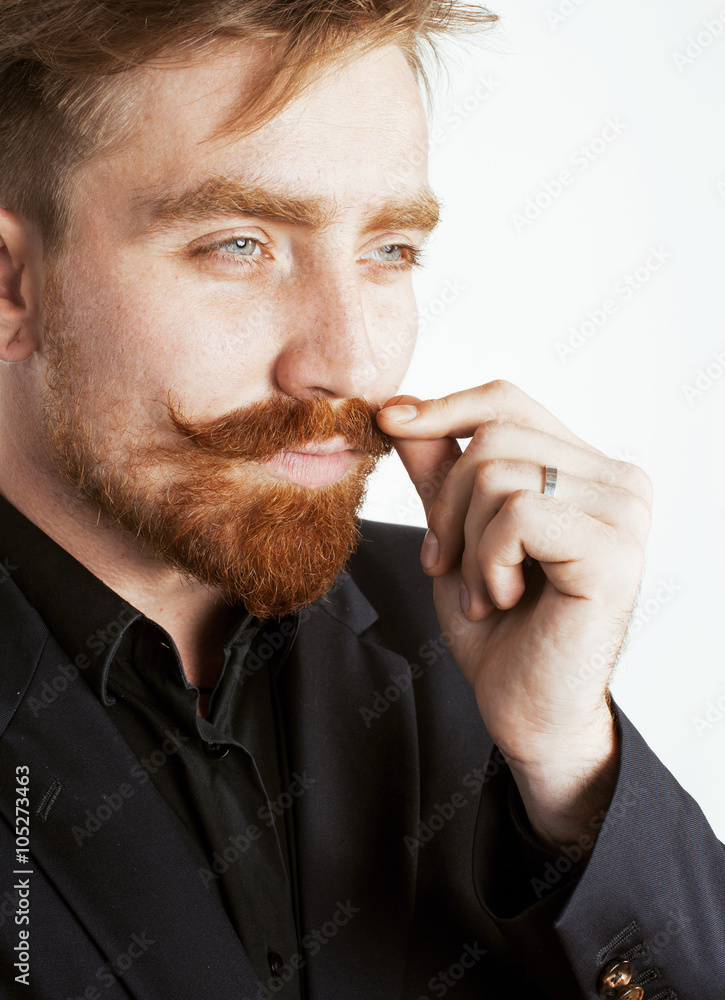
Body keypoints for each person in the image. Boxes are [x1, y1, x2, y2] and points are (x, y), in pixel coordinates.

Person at [0, 2, 722, 998]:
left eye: (389, 250)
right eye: (239, 244)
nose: (349, 362)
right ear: (13, 284)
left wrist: (570, 768)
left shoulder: (471, 628)